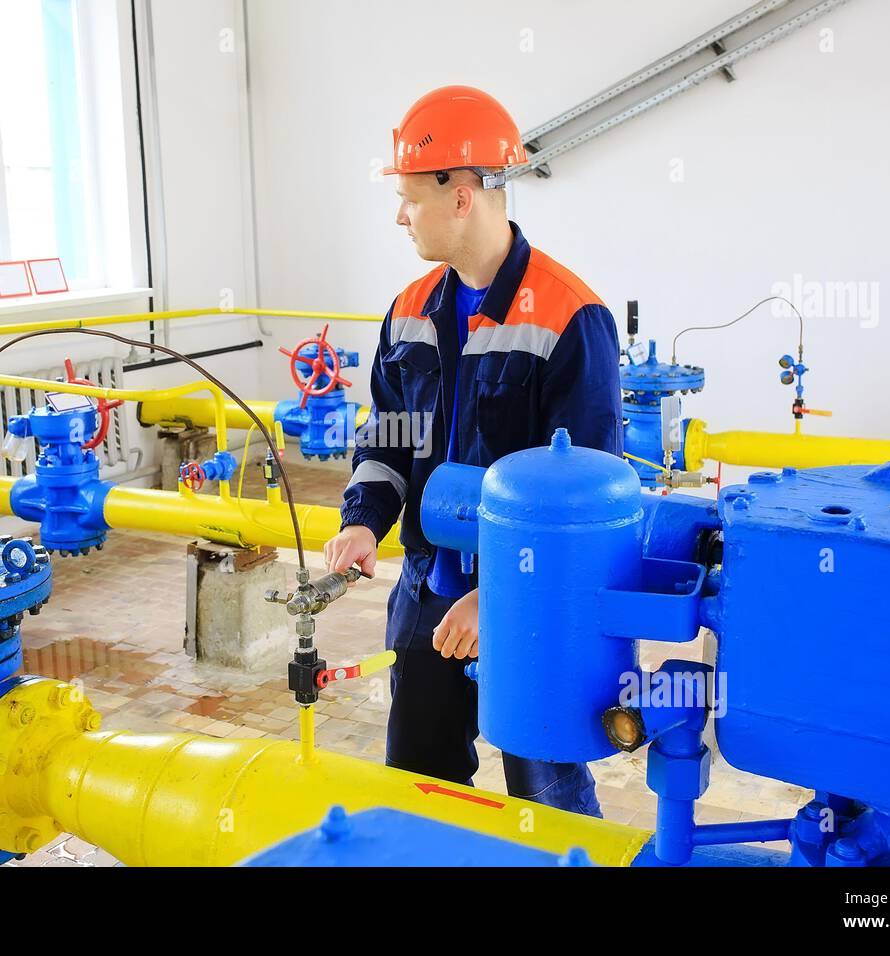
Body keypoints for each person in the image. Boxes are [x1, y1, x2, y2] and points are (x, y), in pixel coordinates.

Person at [323, 86, 623, 814]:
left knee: (547, 798)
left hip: (529, 603)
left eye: (411, 197)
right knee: (417, 786)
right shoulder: (411, 309)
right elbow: (388, 436)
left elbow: (587, 498)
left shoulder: (567, 316)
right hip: (427, 590)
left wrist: (501, 595)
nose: (399, 215)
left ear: (462, 195)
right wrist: (364, 519)